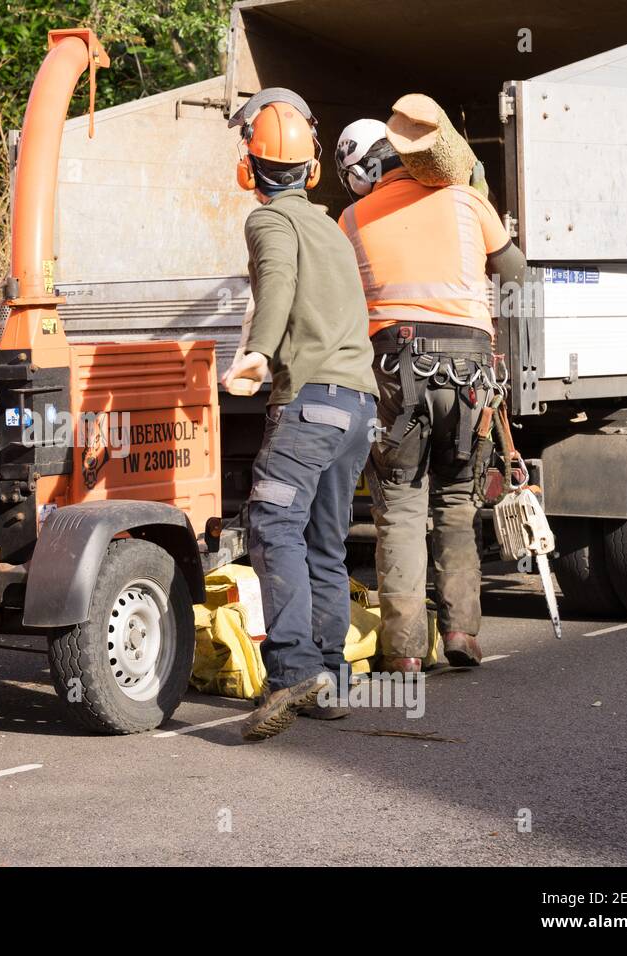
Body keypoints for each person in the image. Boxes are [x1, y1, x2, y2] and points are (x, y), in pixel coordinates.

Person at [334, 116, 526, 672]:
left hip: (396, 370)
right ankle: (462, 632)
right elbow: (513, 269)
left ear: (364, 171)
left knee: (398, 510)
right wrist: (481, 202)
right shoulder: (465, 201)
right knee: (456, 507)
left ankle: (405, 653)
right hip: (470, 377)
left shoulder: (350, 219)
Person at [221, 89, 378, 742]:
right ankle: (330, 679)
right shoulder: (332, 224)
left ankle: (289, 670)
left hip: (310, 405)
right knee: (323, 541)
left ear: (248, 169)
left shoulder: (269, 223)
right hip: (357, 410)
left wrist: (258, 356)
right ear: (311, 169)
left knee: (271, 521)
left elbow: (278, 282)